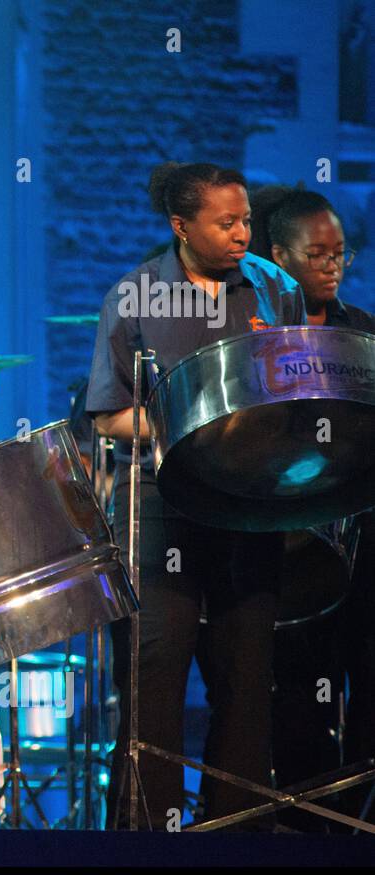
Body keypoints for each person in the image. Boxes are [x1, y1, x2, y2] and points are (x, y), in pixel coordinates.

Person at [85, 161, 305, 830]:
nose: (244, 233)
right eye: (227, 223)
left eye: (246, 220)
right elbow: (108, 415)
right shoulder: (136, 296)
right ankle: (150, 830)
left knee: (245, 675)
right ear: (181, 227)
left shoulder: (276, 290)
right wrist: (190, 426)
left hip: (248, 503)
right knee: (156, 673)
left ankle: (234, 833)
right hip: (163, 505)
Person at [248, 186, 375, 828]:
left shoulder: (365, 337)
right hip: (290, 552)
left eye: (341, 254)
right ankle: (307, 827)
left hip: (363, 548)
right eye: (317, 253)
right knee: (298, 697)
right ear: (278, 256)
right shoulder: (257, 343)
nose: (333, 265)